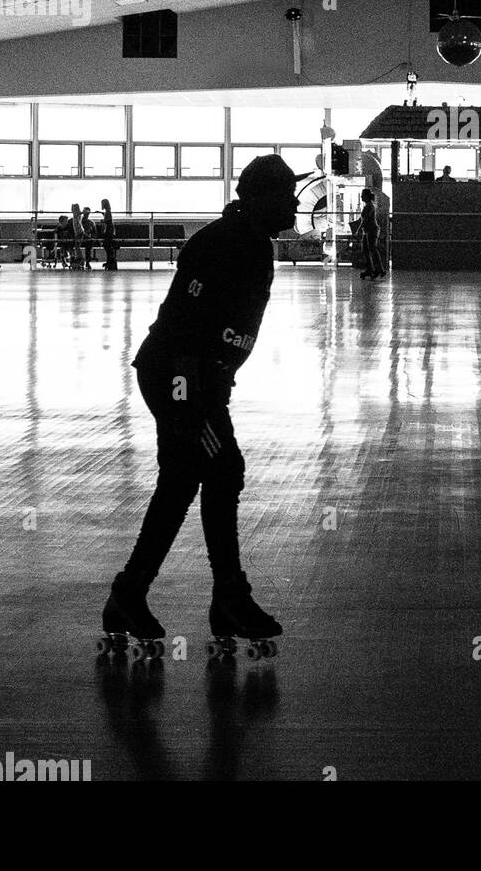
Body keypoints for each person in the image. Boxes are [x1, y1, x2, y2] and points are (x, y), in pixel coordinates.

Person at [100, 155, 302, 658]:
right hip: (180, 377)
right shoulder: (226, 244)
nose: (294, 203)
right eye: (284, 194)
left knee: (184, 478)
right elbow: (190, 319)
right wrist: (199, 390)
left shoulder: (250, 243)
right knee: (224, 468)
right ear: (256, 198)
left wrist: (215, 379)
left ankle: (132, 595)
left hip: (191, 376)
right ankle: (228, 597)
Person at [357, 187, 385, 280]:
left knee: (372, 249)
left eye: (362, 195)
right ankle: (372, 268)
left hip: (371, 230)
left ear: (366, 196)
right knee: (367, 249)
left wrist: (358, 230)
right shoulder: (369, 206)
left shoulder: (369, 206)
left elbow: (365, 219)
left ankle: (378, 269)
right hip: (369, 230)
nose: (361, 197)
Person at [100, 198, 118, 272]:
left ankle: (111, 261)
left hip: (109, 231)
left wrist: (103, 221)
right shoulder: (108, 211)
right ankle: (110, 261)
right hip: (110, 230)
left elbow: (108, 221)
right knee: (108, 246)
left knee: (107, 246)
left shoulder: (108, 212)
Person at [81, 205, 96, 270]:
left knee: (89, 243)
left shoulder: (91, 223)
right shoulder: (79, 222)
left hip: (88, 239)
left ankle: (87, 261)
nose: (86, 215)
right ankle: (83, 261)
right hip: (80, 238)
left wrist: (93, 238)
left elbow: (94, 233)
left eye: (87, 213)